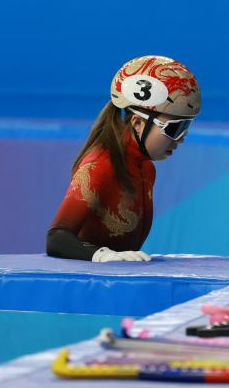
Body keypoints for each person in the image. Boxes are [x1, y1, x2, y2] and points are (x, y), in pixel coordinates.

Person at [46, 55, 201, 262]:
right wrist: (102, 256)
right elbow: (56, 239)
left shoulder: (146, 168)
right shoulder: (100, 166)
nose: (181, 139)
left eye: (186, 127)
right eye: (174, 128)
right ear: (137, 123)